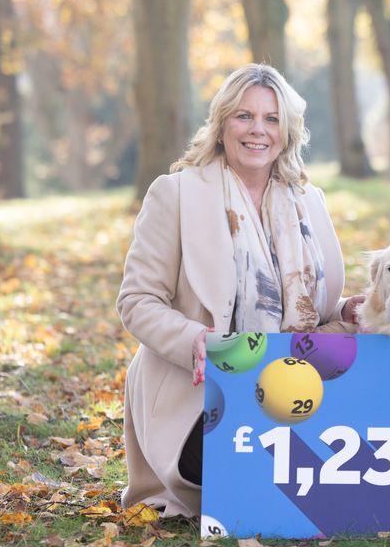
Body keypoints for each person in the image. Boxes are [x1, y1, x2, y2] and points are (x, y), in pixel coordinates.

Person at [117, 63, 362, 517]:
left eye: (271, 119)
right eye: (244, 116)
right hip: (202, 396)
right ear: (221, 123)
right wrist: (194, 341)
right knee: (252, 470)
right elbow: (136, 301)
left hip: (292, 382)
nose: (257, 130)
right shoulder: (176, 194)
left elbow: (314, 307)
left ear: (287, 132)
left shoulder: (309, 201)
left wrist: (348, 311)